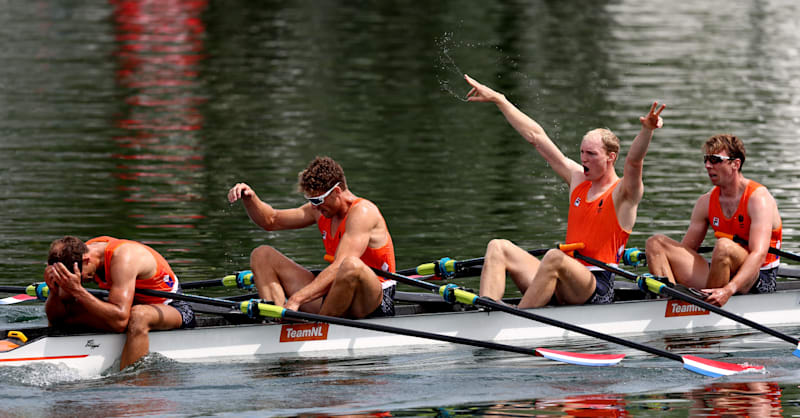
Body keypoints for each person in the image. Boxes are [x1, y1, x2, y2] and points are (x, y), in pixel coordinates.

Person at [463, 74, 665, 308]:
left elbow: (634, 163)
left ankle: (515, 319)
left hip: (596, 287)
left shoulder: (623, 193)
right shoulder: (578, 179)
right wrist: (501, 100)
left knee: (554, 257)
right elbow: (537, 138)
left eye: (591, 154)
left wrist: (647, 131)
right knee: (498, 247)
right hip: (562, 277)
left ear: (611, 157)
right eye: (581, 153)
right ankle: (486, 309)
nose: (583, 159)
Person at [227, 156, 396, 319]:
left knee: (350, 265)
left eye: (318, 200)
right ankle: (277, 321)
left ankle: (318, 330)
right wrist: (250, 199)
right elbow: (271, 220)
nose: (315, 206)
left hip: (372, 300)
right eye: (311, 200)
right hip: (337, 293)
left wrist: (296, 299)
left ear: (336, 191)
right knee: (262, 255)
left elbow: (340, 267)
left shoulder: (363, 212)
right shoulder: (319, 210)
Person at [645, 134, 782, 306]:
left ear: (735, 164)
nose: (708, 165)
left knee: (724, 246)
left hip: (758, 277)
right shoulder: (706, 202)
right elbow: (687, 251)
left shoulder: (758, 199)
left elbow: (759, 254)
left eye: (715, 160)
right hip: (723, 270)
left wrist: (729, 289)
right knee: (656, 243)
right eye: (706, 159)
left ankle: (708, 304)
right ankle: (667, 302)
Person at [44, 236, 196, 370]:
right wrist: (54, 291)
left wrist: (78, 291)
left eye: (79, 277)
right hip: (129, 304)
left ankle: (130, 385)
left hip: (172, 307)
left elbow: (120, 322)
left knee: (139, 316)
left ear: (86, 260)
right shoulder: (78, 256)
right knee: (72, 309)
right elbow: (57, 318)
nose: (82, 280)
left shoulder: (124, 257)